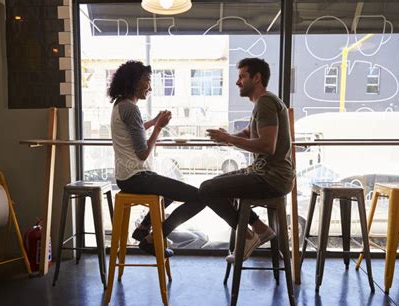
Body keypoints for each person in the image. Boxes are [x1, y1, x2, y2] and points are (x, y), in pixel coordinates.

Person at [198, 58, 295, 262]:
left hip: (271, 178)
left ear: (256, 78)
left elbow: (268, 146)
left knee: (208, 189)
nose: (237, 82)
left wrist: (230, 139)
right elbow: (250, 132)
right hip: (264, 173)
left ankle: (252, 234)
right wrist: (228, 136)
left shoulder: (265, 103)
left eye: (242, 76)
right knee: (213, 187)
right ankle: (257, 230)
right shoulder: (264, 102)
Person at [109, 60, 205, 257]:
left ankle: (143, 228)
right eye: (147, 80)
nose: (150, 87)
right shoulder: (131, 108)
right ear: (134, 81)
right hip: (136, 177)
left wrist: (152, 122)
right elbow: (142, 153)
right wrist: (159, 128)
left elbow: (133, 131)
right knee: (199, 197)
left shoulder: (121, 105)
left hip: (125, 177)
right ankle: (154, 238)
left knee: (171, 189)